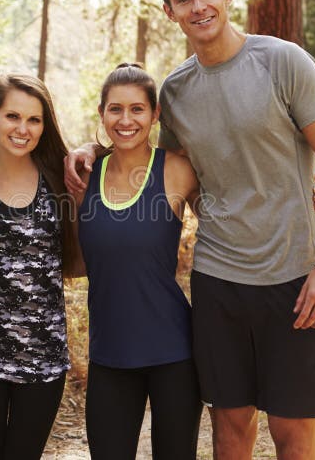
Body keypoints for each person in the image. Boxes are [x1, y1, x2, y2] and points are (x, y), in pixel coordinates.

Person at [66, 0, 315, 460]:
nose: (198, 6)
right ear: (169, 10)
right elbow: (160, 166)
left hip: (295, 279)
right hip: (218, 283)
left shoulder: (283, 62)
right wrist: (96, 147)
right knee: (230, 429)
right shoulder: (175, 92)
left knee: (293, 433)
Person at [74, 63, 203, 459]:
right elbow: (73, 262)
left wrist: (299, 201)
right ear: (102, 114)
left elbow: (231, 221)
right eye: (115, 109)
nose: (126, 120)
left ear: (155, 115)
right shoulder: (82, 175)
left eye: (137, 109)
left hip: (174, 353)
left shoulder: (177, 171)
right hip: (110, 353)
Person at [0, 74, 80, 460]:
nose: (23, 129)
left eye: (34, 119)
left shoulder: (61, 180)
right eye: (12, 116)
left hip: (44, 357)